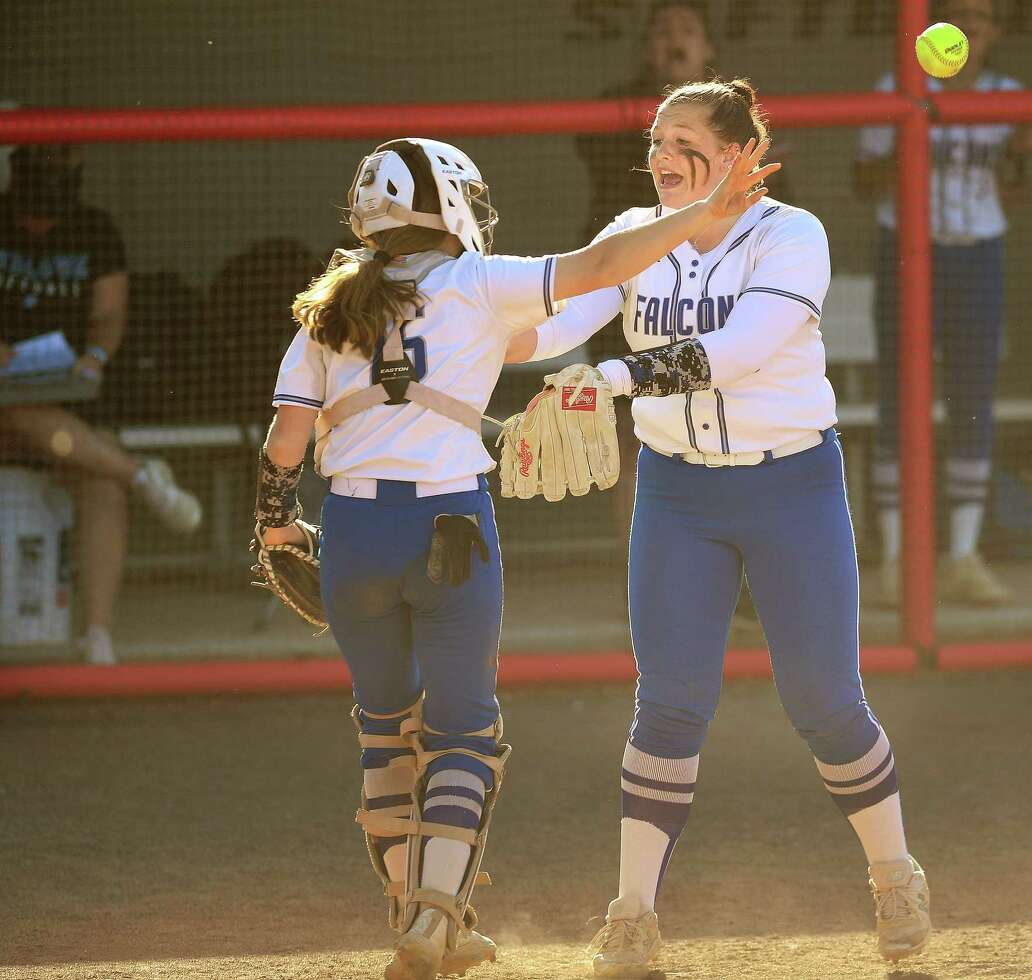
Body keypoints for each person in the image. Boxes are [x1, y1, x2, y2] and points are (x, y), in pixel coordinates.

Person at [254, 135, 772, 980]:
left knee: (385, 728)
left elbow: (286, 438)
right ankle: (434, 917)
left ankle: (414, 916)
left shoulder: (329, 305)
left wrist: (276, 527)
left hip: (350, 533)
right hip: (446, 528)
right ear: (447, 205)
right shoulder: (475, 282)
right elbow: (600, 265)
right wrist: (696, 218)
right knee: (463, 731)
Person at [507, 78, 930, 976]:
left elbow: (742, 349)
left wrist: (613, 380)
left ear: (739, 153)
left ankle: (894, 875)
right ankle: (631, 918)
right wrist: (462, 322)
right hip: (678, 496)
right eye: (656, 138)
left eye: (684, 139)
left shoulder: (791, 232)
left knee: (823, 701)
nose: (661, 153)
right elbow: (551, 327)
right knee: (666, 702)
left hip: (791, 487)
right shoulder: (637, 233)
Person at [576, 0, 789, 632]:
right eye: (662, 31)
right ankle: (646, 581)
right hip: (636, 289)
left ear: (709, 50)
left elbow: (770, 206)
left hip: (719, 307)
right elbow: (594, 153)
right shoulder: (617, 112)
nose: (674, 39)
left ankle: (739, 579)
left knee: (739, 435)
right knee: (638, 440)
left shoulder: (737, 134)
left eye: (687, 32)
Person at [854, 0, 1032, 607]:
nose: (970, 28)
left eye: (982, 19)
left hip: (978, 251)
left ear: (995, 33)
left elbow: (1010, 194)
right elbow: (862, 183)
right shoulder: (897, 85)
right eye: (959, 16)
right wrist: (915, 134)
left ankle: (962, 554)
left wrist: (1021, 154)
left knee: (972, 397)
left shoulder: (1008, 92)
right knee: (899, 397)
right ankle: (897, 559)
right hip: (908, 251)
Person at [0, 143, 202, 665]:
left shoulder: (95, 228)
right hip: (5, 401)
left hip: (68, 400)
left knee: (101, 482)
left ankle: (96, 635)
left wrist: (93, 354)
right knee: (14, 410)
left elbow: (109, 313)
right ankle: (142, 475)